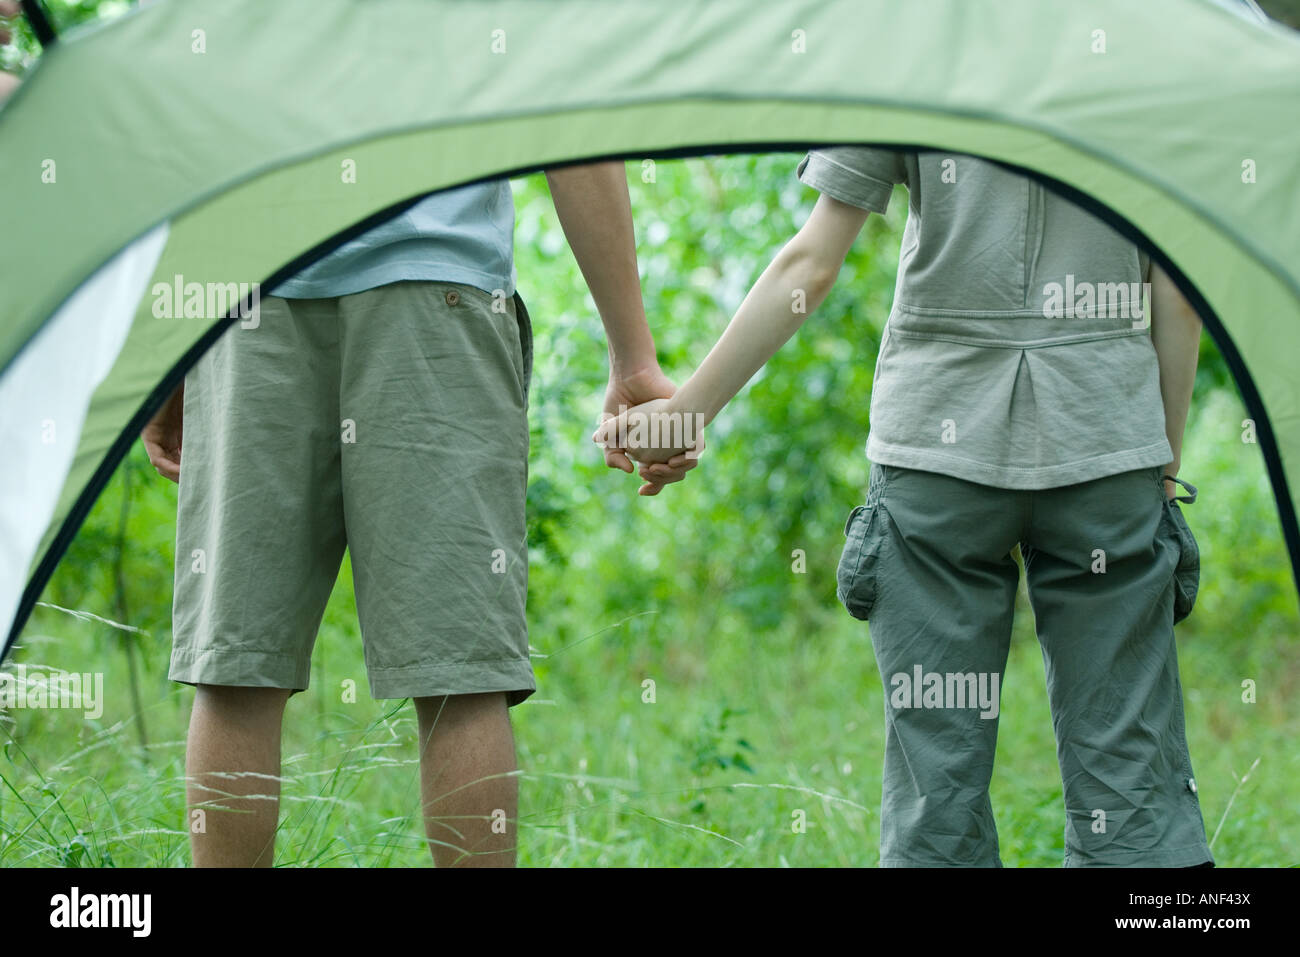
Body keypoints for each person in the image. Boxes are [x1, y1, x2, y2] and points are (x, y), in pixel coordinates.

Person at [597, 146, 1212, 867]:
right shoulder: (1150, 48)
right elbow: (1178, 289)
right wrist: (1157, 464)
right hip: (1104, 438)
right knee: (1131, 776)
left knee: (936, 788)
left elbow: (810, 266)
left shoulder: (912, 42)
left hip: (937, 447)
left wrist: (689, 412)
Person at [140, 162, 689, 868]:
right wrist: (633, 357)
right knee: (460, 677)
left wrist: (169, 340)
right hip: (438, 289)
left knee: (236, 669)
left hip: (252, 292)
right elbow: (569, 122)